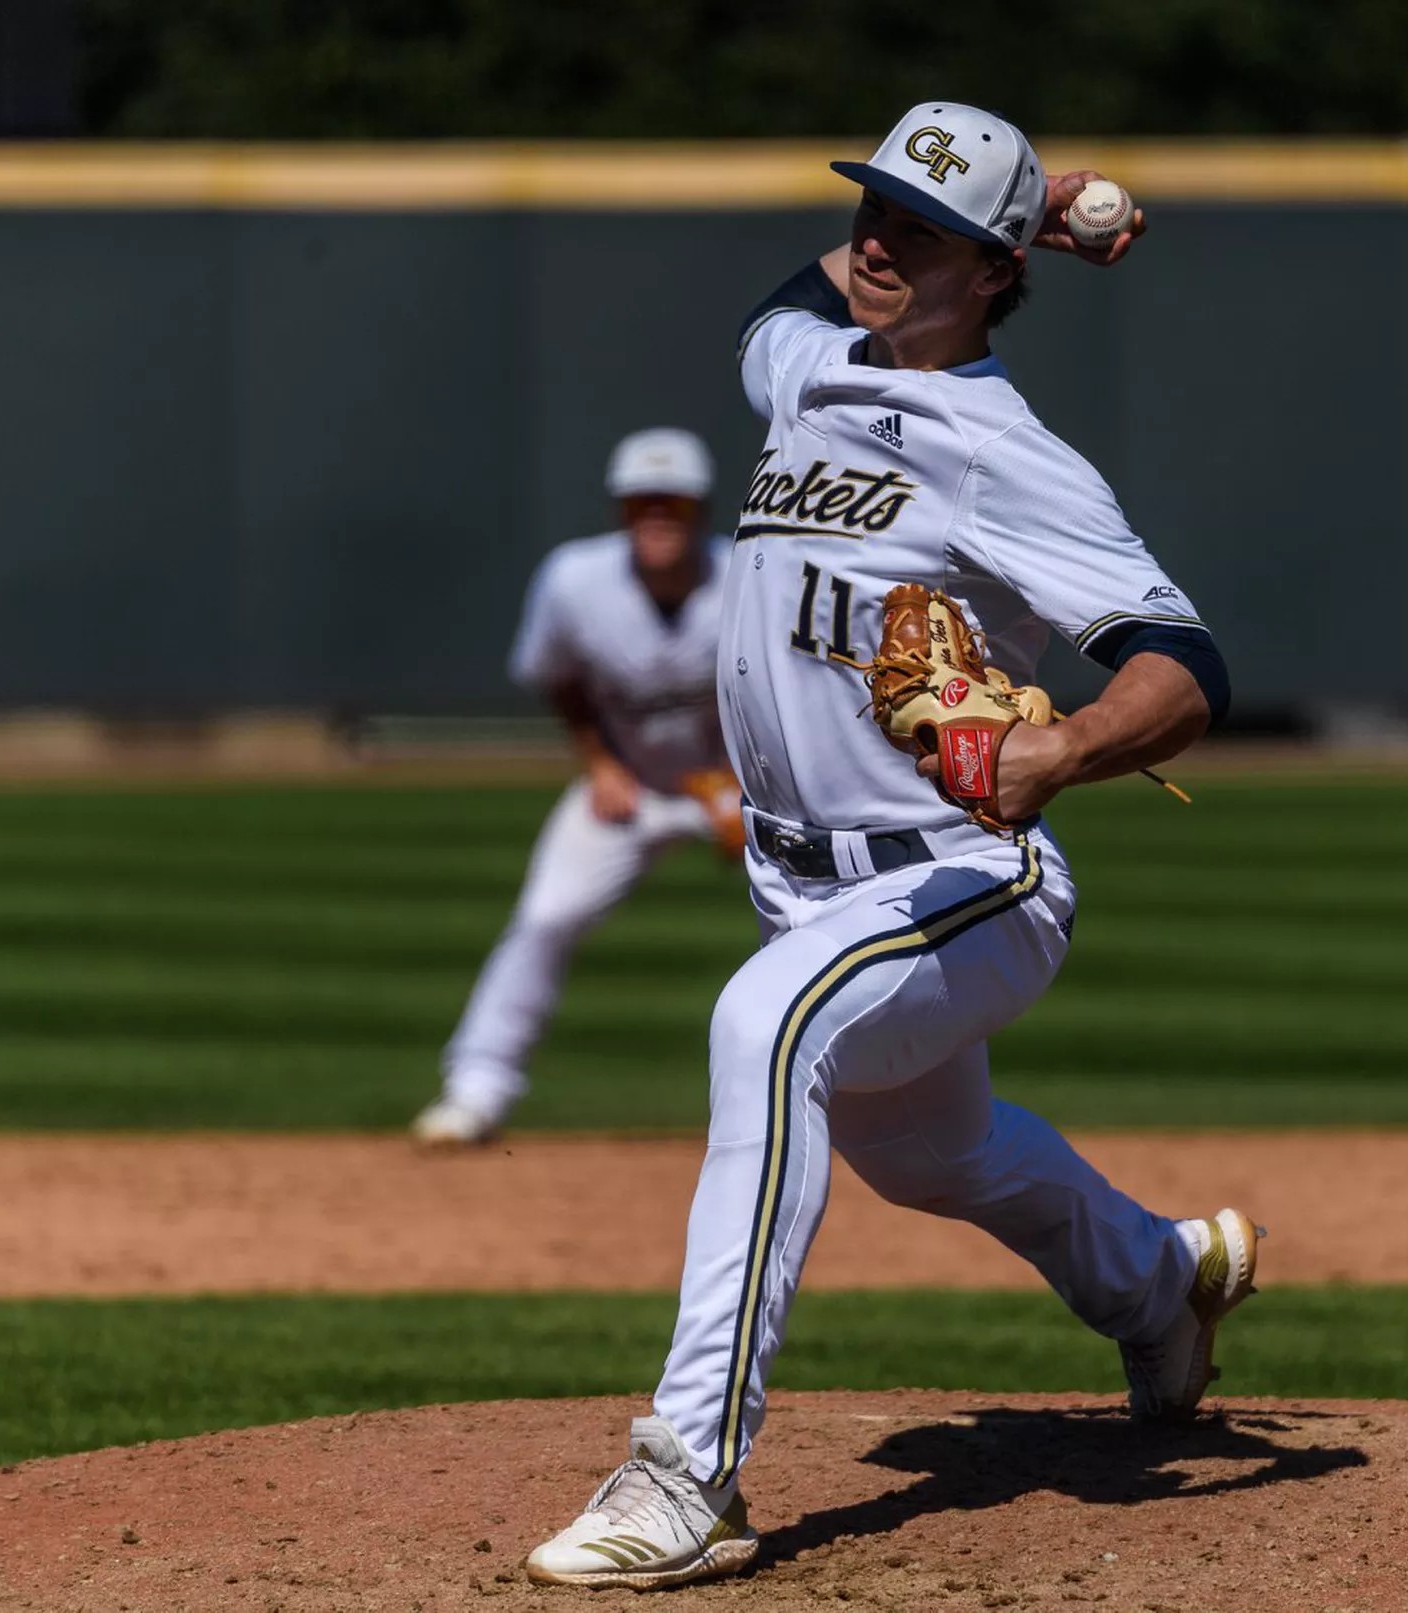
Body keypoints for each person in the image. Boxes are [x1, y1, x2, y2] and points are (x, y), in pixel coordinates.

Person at [523, 104, 1257, 1591]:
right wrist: (1031, 197)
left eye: (916, 229)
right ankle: (1164, 1279)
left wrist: (1062, 748)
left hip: (965, 872)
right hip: (801, 878)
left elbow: (1186, 664)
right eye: (870, 206)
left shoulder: (1004, 452)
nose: (873, 239)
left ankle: (688, 1474)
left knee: (768, 1023)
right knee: (937, 1152)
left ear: (987, 277)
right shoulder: (816, 370)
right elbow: (776, 308)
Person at [412, 428, 743, 1147]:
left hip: (746, 783)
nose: (656, 514)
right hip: (631, 785)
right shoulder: (574, 580)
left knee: (816, 926)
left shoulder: (751, 574)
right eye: (640, 501)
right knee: (545, 916)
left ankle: (863, 1105)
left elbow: (789, 690)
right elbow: (558, 677)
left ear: (702, 508)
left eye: (672, 501)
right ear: (619, 511)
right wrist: (600, 762)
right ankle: (476, 1089)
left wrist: (747, 788)